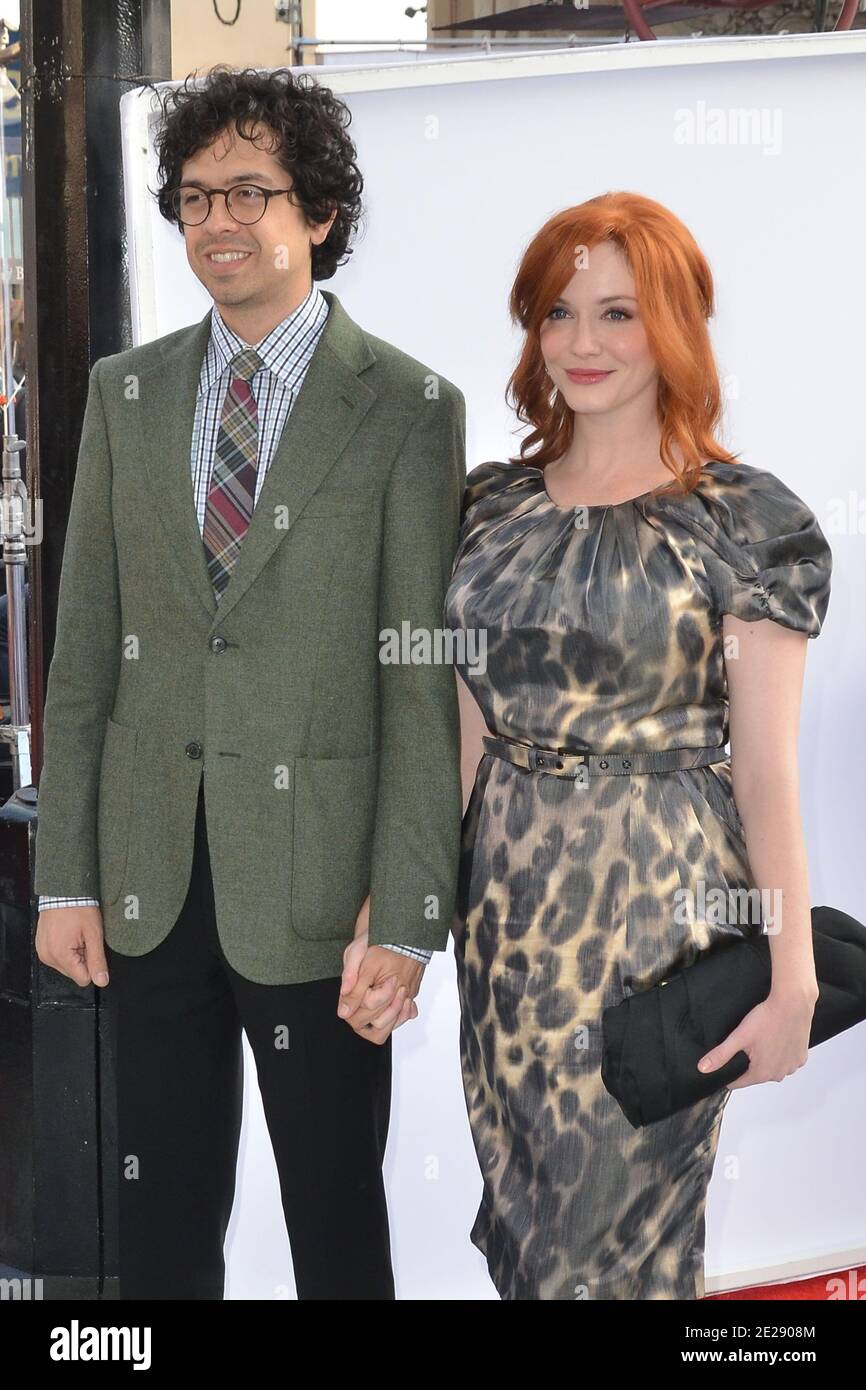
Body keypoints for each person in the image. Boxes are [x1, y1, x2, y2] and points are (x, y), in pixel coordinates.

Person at [33, 65, 466, 1300]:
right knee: (159, 1227)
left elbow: (418, 682)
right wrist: (66, 872)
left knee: (335, 1220)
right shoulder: (126, 393)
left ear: (318, 213)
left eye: (248, 192)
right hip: (144, 877)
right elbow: (83, 654)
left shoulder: (405, 409)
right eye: (193, 196)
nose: (215, 222)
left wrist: (410, 909)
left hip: (320, 890)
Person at [444, 191, 831, 1300]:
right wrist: (413, 910)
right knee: (527, 1233)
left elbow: (761, 771)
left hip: (655, 922)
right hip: (506, 926)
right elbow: (467, 733)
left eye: (615, 313)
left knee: (607, 1248)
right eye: (556, 313)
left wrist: (790, 974)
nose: (579, 343)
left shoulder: (741, 520)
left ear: (671, 326)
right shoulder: (488, 508)